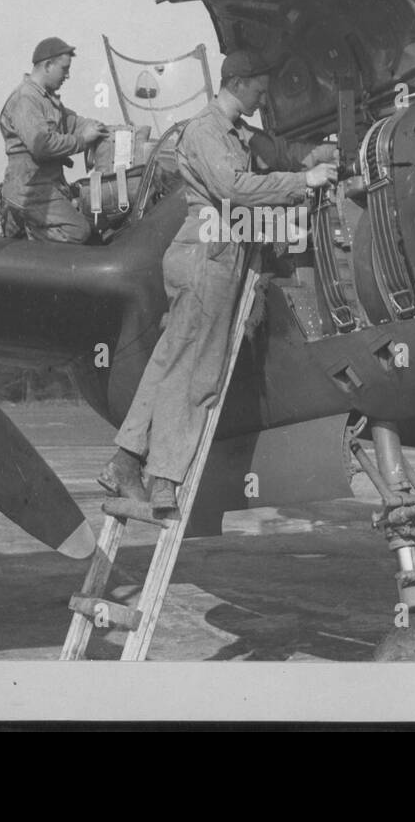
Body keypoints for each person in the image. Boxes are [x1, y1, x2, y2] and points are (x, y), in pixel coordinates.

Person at [98, 49, 338, 512]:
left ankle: (125, 462)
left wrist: (322, 153)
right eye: (259, 90)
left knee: (171, 362)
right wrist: (304, 181)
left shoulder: (238, 134)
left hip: (219, 257)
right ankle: (164, 476)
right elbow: (234, 190)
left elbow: (278, 152)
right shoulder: (207, 131)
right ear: (240, 83)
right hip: (207, 257)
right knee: (197, 375)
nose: (262, 96)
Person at [0, 37, 108, 243]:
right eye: (64, 69)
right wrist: (82, 140)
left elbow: (73, 122)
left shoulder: (46, 100)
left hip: (47, 186)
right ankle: (27, 232)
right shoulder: (26, 99)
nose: (68, 75)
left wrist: (103, 129)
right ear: (47, 65)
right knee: (78, 231)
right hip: (29, 189)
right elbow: (41, 146)